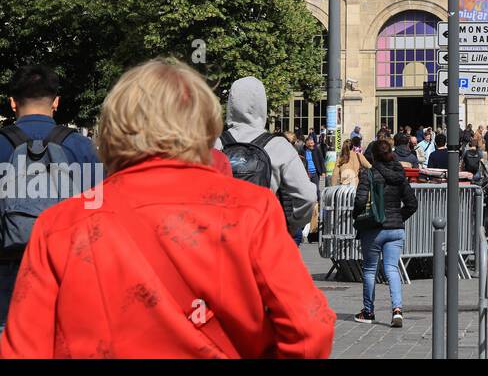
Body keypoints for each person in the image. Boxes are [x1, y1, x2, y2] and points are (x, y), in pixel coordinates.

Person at [0, 59, 334, 358]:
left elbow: (24, 350)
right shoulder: (251, 210)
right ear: (203, 126)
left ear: (114, 128)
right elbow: (310, 330)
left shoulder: (60, 225)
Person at [0, 65, 101, 330]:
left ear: (12, 103)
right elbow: (98, 213)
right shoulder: (83, 147)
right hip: (66, 271)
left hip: (6, 271)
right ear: (56, 102)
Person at [215, 76, 316, 240]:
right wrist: (291, 226)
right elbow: (307, 196)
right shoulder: (278, 146)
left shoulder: (213, 144)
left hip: (220, 243)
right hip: (262, 240)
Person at [352, 139, 418, 327]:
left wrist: (357, 216)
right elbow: (412, 204)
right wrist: (397, 217)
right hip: (396, 230)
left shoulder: (369, 174)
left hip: (374, 228)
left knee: (370, 269)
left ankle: (368, 311)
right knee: (392, 269)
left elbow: (359, 202)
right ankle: (397, 310)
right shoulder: (400, 175)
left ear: (373, 155)